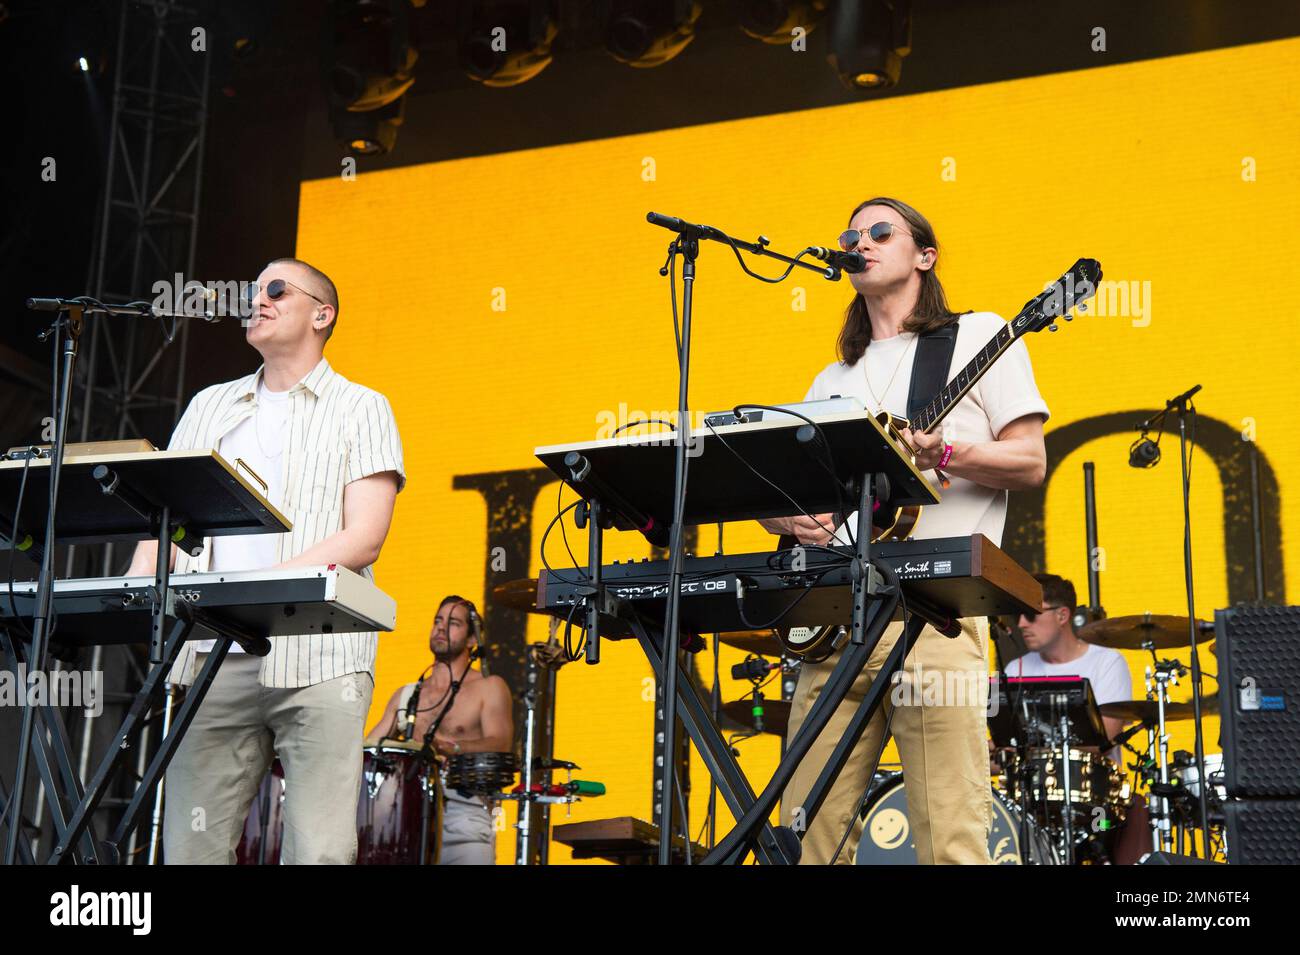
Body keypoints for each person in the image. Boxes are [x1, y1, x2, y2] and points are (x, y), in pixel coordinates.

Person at [760, 196, 1049, 864]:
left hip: (937, 612)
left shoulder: (980, 337)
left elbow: (1029, 461)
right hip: (836, 618)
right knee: (807, 838)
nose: (861, 240)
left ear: (925, 254)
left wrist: (944, 452)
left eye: (880, 230)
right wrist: (788, 518)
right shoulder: (831, 378)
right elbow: (789, 495)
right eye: (850, 234)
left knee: (950, 836)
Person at [128, 257, 405, 864]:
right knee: (190, 849)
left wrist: (258, 590)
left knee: (320, 850)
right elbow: (166, 518)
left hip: (320, 653)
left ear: (322, 314)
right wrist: (133, 584)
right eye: (254, 291)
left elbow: (364, 537)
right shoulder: (209, 406)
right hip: (212, 654)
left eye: (277, 290)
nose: (258, 300)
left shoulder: (362, 407)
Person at [366, 595, 514, 865]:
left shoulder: (489, 686)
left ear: (472, 640)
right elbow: (370, 748)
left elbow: (501, 743)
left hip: (465, 819)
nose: (442, 628)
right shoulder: (408, 695)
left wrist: (452, 748)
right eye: (438, 620)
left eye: (454, 623)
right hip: (405, 820)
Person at [1006, 573, 1132, 755]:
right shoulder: (1014, 669)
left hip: (1091, 781)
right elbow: (1002, 752)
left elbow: (1104, 742)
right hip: (1031, 781)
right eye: (1018, 615)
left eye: (1031, 614)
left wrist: (1024, 742)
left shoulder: (1107, 662)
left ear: (1062, 616)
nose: (1021, 623)